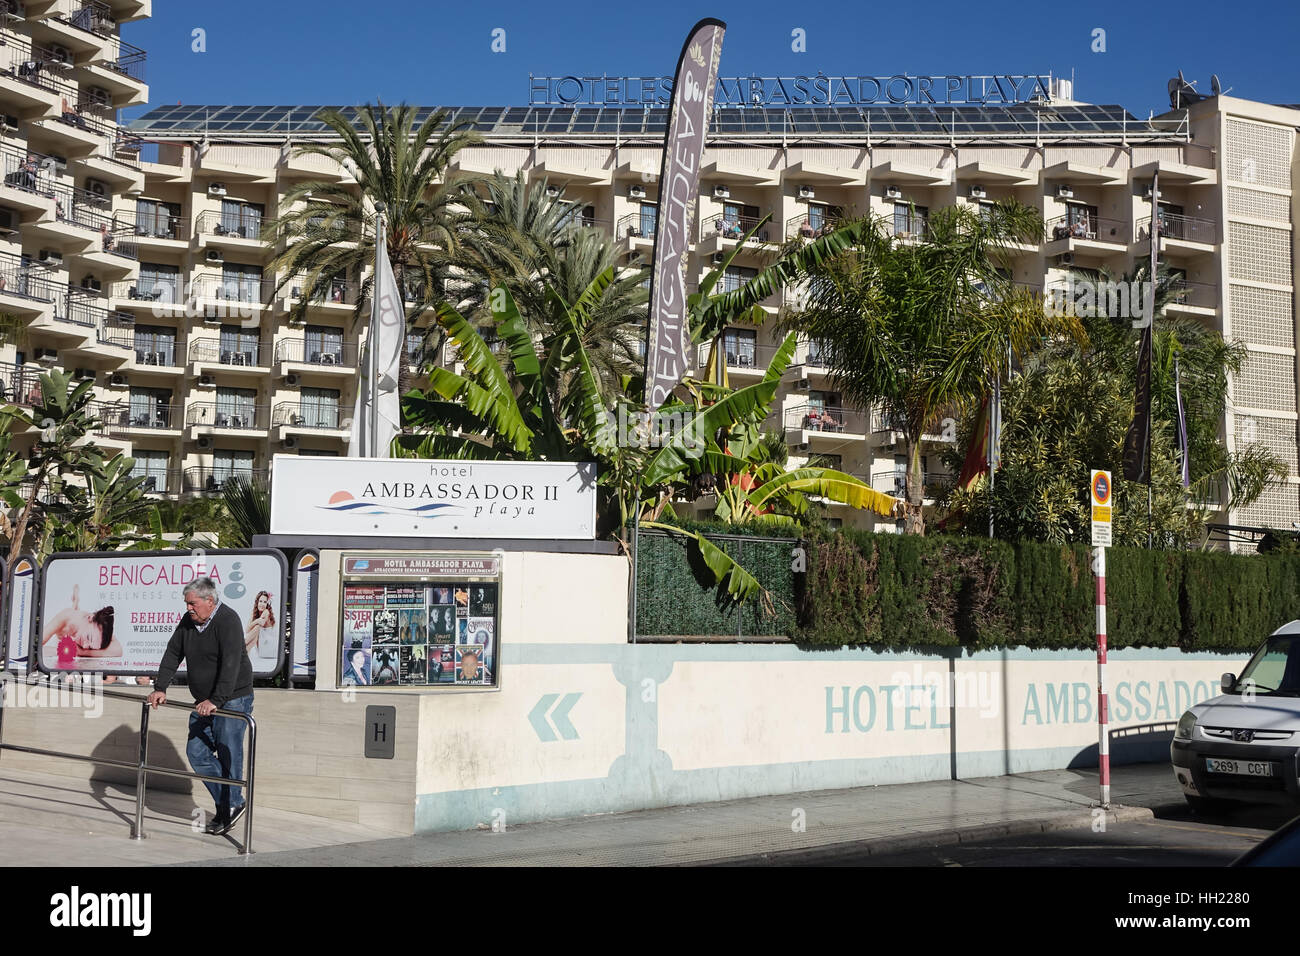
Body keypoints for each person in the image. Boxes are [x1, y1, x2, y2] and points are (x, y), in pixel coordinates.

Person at [147, 577, 253, 837]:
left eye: (193, 603)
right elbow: (173, 652)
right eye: (187, 604)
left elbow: (231, 664)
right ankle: (232, 802)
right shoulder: (188, 622)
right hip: (204, 701)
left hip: (232, 698)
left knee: (229, 753)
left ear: (209, 601)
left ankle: (229, 805)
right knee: (197, 752)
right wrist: (161, 687)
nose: (189, 608)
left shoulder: (227, 620)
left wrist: (216, 700)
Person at [41, 584, 120, 668]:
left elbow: (118, 650)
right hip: (68, 624)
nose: (85, 646)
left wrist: (82, 652)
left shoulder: (100, 632)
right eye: (88, 637)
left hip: (82, 622)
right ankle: (75, 600)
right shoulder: (66, 618)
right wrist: (64, 650)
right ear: (90, 618)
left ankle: (76, 601)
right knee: (73, 610)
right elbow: (39, 644)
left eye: (90, 647)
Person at [242, 590, 275, 655]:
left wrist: (256, 621)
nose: (262, 604)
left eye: (265, 602)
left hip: (268, 645)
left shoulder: (266, 612)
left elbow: (261, 623)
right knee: (257, 630)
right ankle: (244, 653)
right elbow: (247, 630)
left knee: (257, 627)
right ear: (257, 602)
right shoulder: (254, 612)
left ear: (267, 604)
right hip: (259, 646)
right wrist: (257, 620)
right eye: (260, 601)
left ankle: (240, 647)